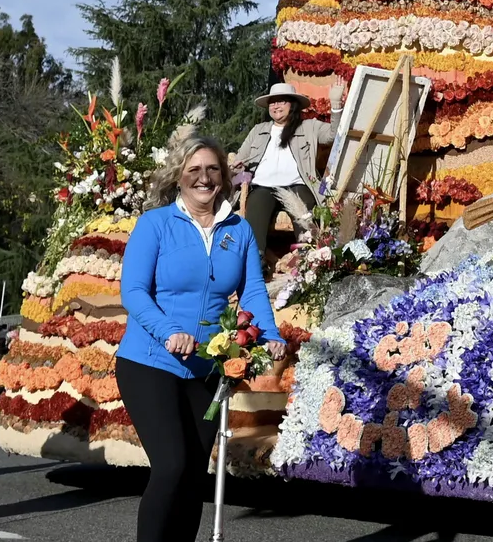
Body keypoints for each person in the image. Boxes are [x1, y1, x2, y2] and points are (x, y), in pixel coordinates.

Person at [117, 135, 284, 542]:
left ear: (223, 178)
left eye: (212, 170)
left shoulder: (237, 230)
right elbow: (133, 291)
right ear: (179, 177)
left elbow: (253, 292)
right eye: (194, 170)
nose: (203, 178)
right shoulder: (154, 225)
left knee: (194, 472)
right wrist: (168, 332)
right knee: (172, 464)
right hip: (149, 361)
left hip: (206, 368)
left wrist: (272, 335)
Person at [233, 82, 339, 272]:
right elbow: (239, 159)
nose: (275, 106)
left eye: (281, 101)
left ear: (293, 104)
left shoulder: (308, 127)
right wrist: (236, 166)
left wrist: (336, 104)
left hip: (298, 185)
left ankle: (309, 259)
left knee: (305, 212)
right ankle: (255, 261)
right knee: (255, 203)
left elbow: (334, 135)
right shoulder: (258, 130)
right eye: (272, 102)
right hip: (263, 186)